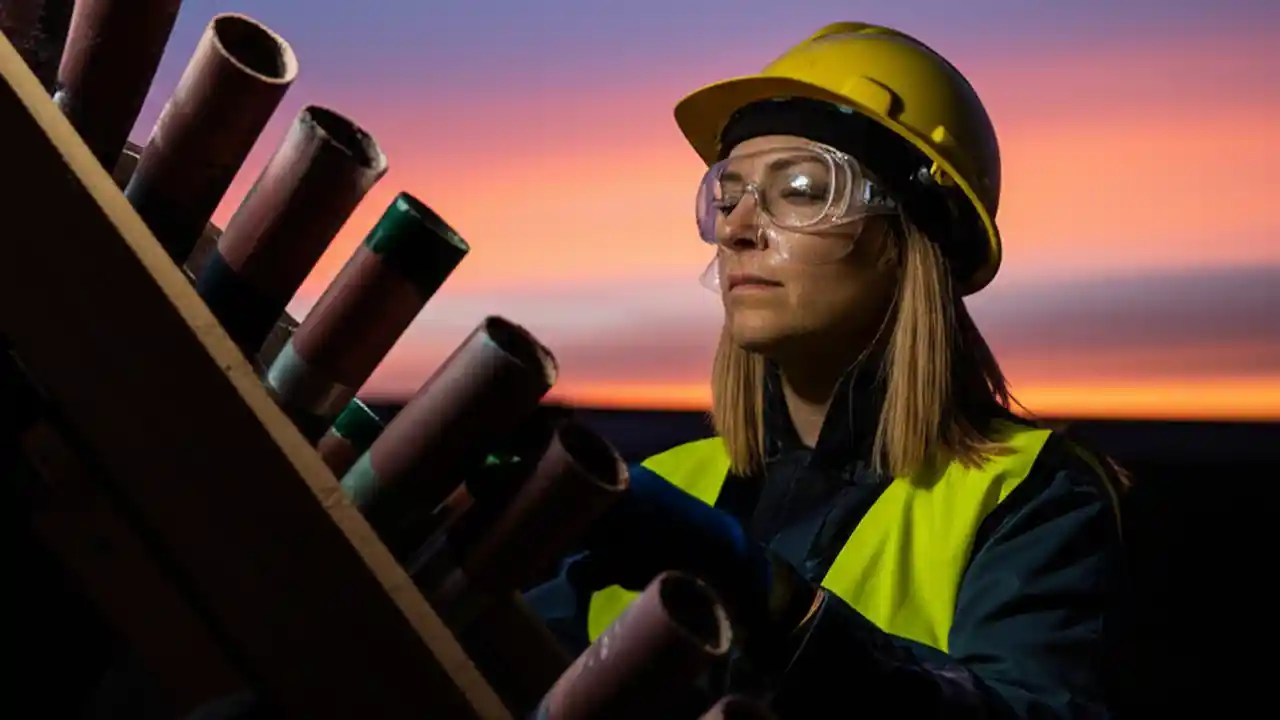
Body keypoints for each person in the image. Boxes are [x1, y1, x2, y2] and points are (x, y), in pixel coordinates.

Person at [525, 20, 1133, 719]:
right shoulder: (661, 493)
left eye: (803, 189)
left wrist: (780, 611)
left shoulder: (1030, 498)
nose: (737, 228)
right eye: (727, 197)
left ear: (911, 238)